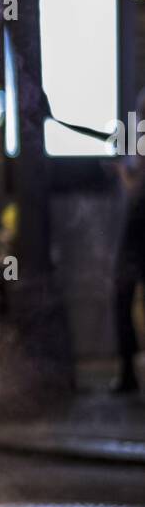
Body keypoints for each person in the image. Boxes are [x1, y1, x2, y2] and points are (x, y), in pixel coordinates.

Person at [114, 108, 145, 394]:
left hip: (137, 235)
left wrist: (124, 174)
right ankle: (128, 373)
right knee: (122, 301)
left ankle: (128, 374)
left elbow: (135, 190)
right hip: (134, 237)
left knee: (122, 300)